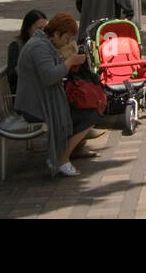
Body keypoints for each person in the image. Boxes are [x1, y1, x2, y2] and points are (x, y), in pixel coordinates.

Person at [14, 12, 98, 176]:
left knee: (84, 109)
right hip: (35, 106)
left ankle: (65, 153)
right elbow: (49, 77)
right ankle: (62, 159)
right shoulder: (40, 47)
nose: (67, 42)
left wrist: (67, 60)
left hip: (39, 99)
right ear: (57, 34)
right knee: (90, 115)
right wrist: (70, 61)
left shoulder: (43, 43)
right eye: (66, 38)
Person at [7, 9, 48, 93]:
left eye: (45, 29)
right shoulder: (17, 46)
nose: (43, 32)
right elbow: (11, 78)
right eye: (39, 28)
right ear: (28, 28)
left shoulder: (46, 45)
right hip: (25, 94)